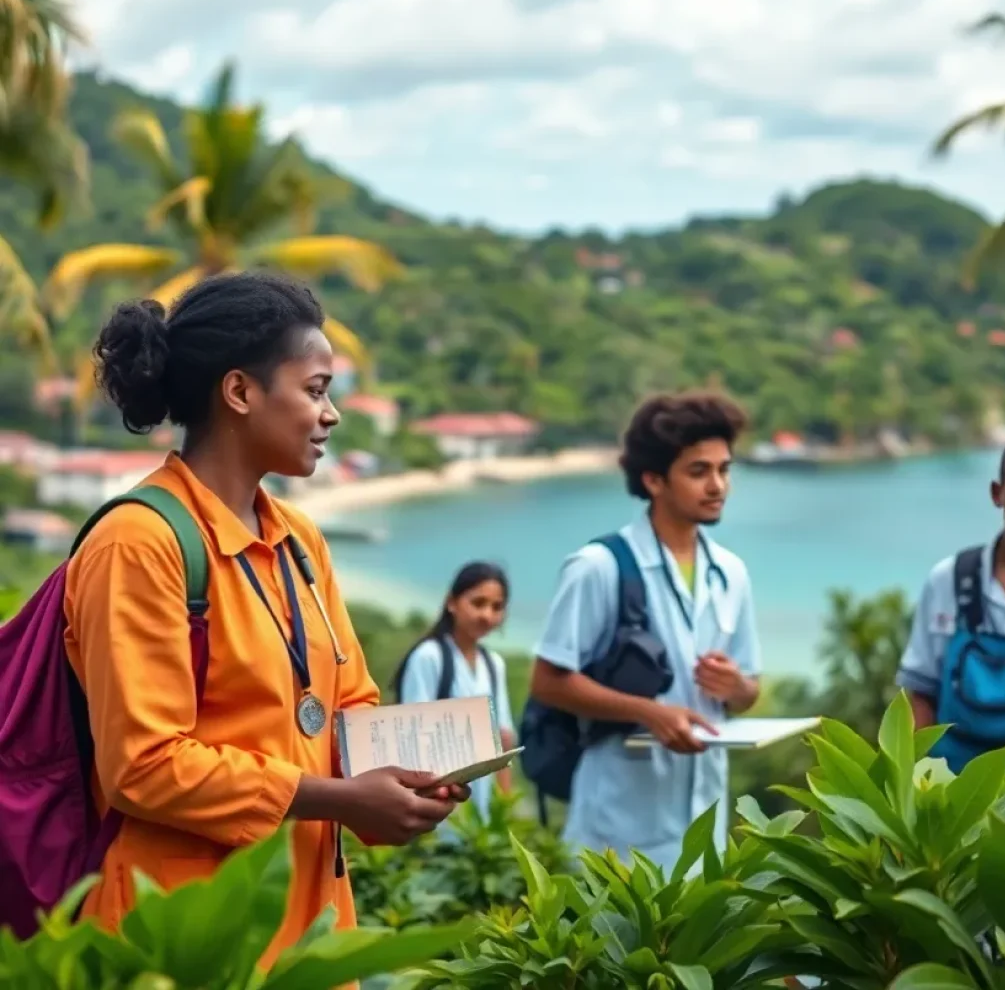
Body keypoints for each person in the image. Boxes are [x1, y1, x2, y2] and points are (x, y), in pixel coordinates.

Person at [64, 272, 466, 967]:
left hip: (309, 934)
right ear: (241, 392)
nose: (332, 414)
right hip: (185, 942)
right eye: (315, 389)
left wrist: (406, 781)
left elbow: (347, 705)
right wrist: (340, 798)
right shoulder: (140, 543)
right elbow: (145, 765)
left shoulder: (300, 542)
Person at [527, 391, 762, 871]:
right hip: (617, 827)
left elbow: (747, 693)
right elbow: (548, 681)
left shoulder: (730, 573)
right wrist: (648, 712)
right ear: (654, 480)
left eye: (725, 469)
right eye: (699, 471)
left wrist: (737, 687)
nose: (717, 485)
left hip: (704, 825)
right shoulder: (598, 567)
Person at [897, 436, 1005, 774]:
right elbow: (920, 693)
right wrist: (924, 781)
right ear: (997, 493)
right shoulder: (951, 580)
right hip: (954, 793)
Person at [395, 563, 517, 822]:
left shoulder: (494, 664)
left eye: (497, 607)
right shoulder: (430, 657)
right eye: (478, 603)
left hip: (481, 811)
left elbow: (503, 739)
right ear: (452, 602)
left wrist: (503, 812)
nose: (487, 614)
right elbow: (412, 736)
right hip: (436, 807)